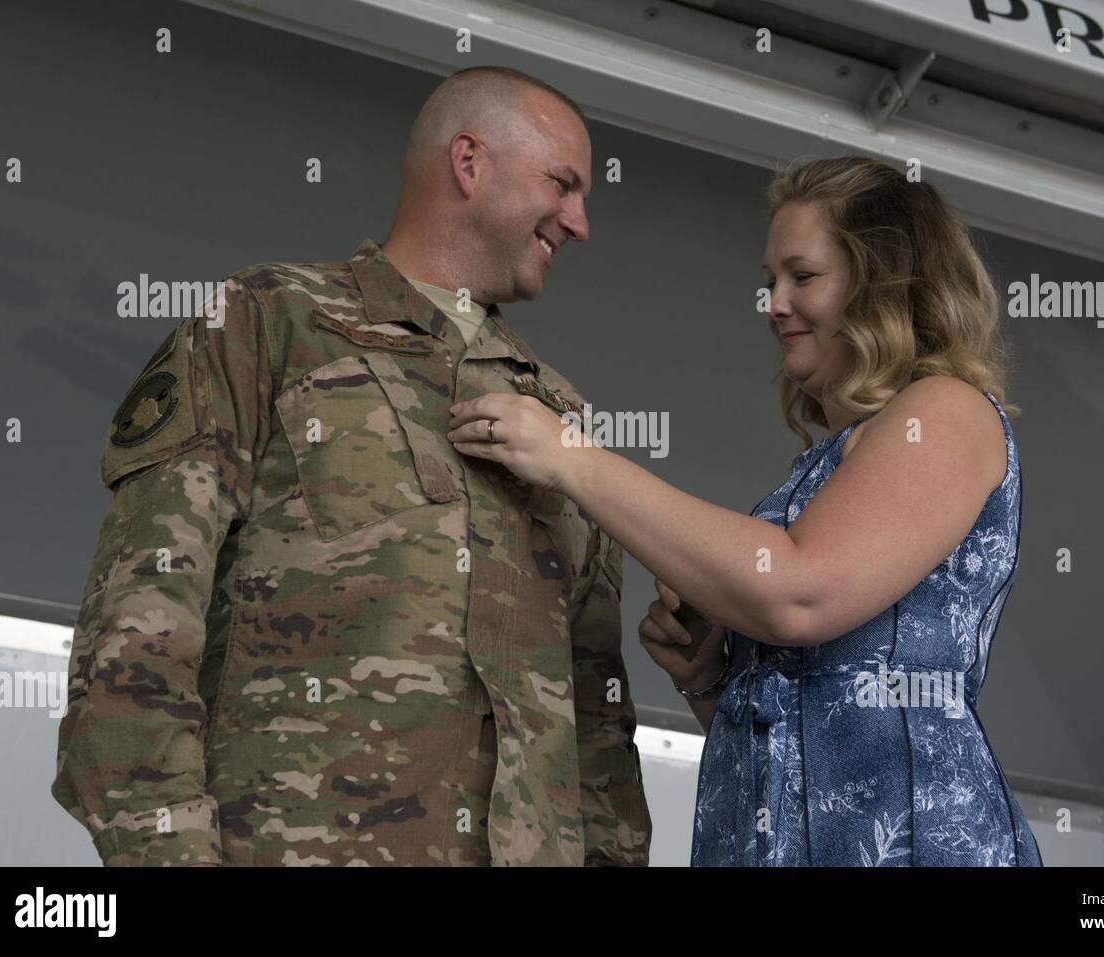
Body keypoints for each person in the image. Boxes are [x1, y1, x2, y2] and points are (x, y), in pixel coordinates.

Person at [51, 66, 652, 866]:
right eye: (564, 184)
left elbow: (599, 727)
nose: (579, 222)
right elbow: (136, 632)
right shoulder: (267, 325)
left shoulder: (566, 426)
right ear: (470, 163)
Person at [447, 156, 1044, 866]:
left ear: (883, 279)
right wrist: (709, 679)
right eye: (769, 283)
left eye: (803, 276)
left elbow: (798, 590)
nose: (775, 304)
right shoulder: (826, 467)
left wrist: (571, 458)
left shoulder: (944, 410)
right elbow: (804, 725)